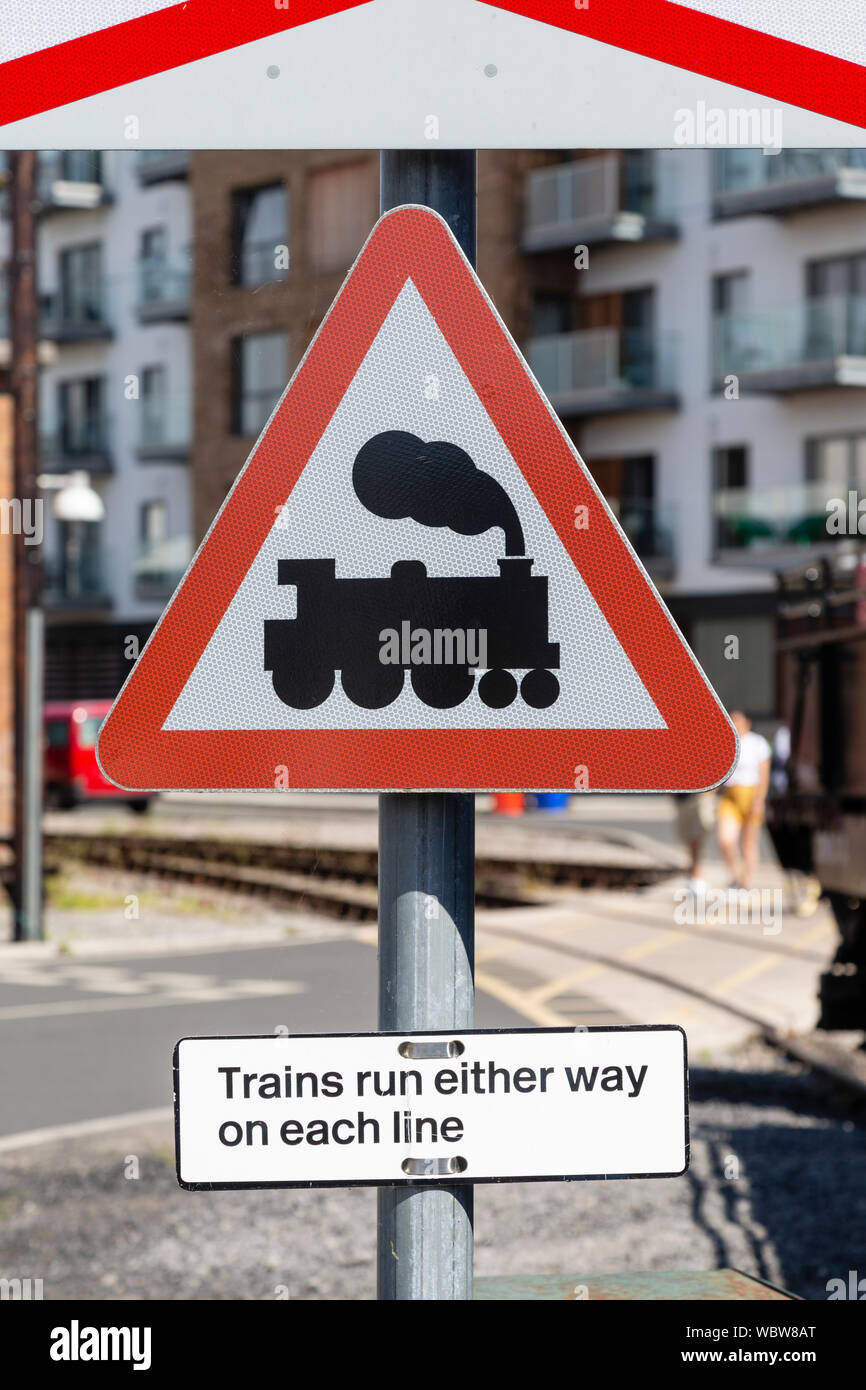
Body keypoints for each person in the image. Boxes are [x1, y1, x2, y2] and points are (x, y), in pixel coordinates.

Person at [717, 710, 771, 890]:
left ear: (747, 722)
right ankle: (736, 875)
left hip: (751, 793)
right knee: (725, 839)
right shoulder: (726, 741)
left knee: (748, 843)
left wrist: (760, 799)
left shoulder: (757, 743)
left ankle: (746, 881)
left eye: (738, 721)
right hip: (731, 794)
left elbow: (764, 773)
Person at [672, 791, 716, 894]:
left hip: (700, 795)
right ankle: (694, 876)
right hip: (682, 797)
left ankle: (697, 876)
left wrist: (709, 791)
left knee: (698, 837)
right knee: (688, 838)